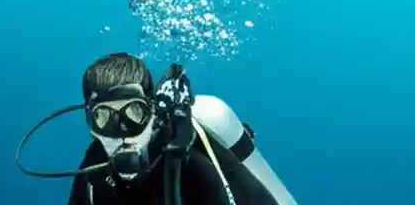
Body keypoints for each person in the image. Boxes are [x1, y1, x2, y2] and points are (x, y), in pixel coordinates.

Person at [17, 52, 297, 205]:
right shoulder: (93, 177)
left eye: (133, 113)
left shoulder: (188, 153)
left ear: (151, 112)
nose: (122, 132)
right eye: (105, 119)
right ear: (91, 126)